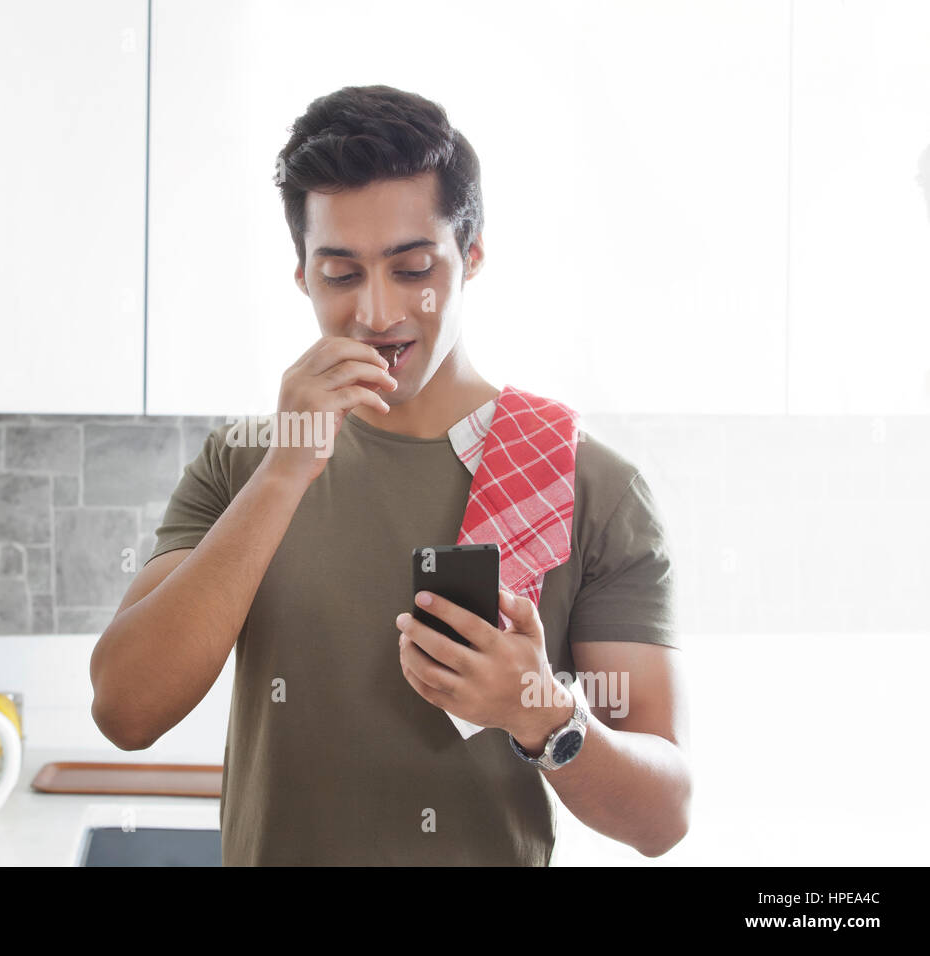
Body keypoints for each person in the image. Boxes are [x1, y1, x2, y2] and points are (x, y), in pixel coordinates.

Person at [90, 85, 691, 865]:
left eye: (412, 269)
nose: (377, 313)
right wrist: (283, 473)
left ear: (471, 255)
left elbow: (663, 817)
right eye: (341, 274)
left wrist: (542, 712)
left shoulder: (588, 485)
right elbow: (126, 712)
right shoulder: (244, 460)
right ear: (303, 275)